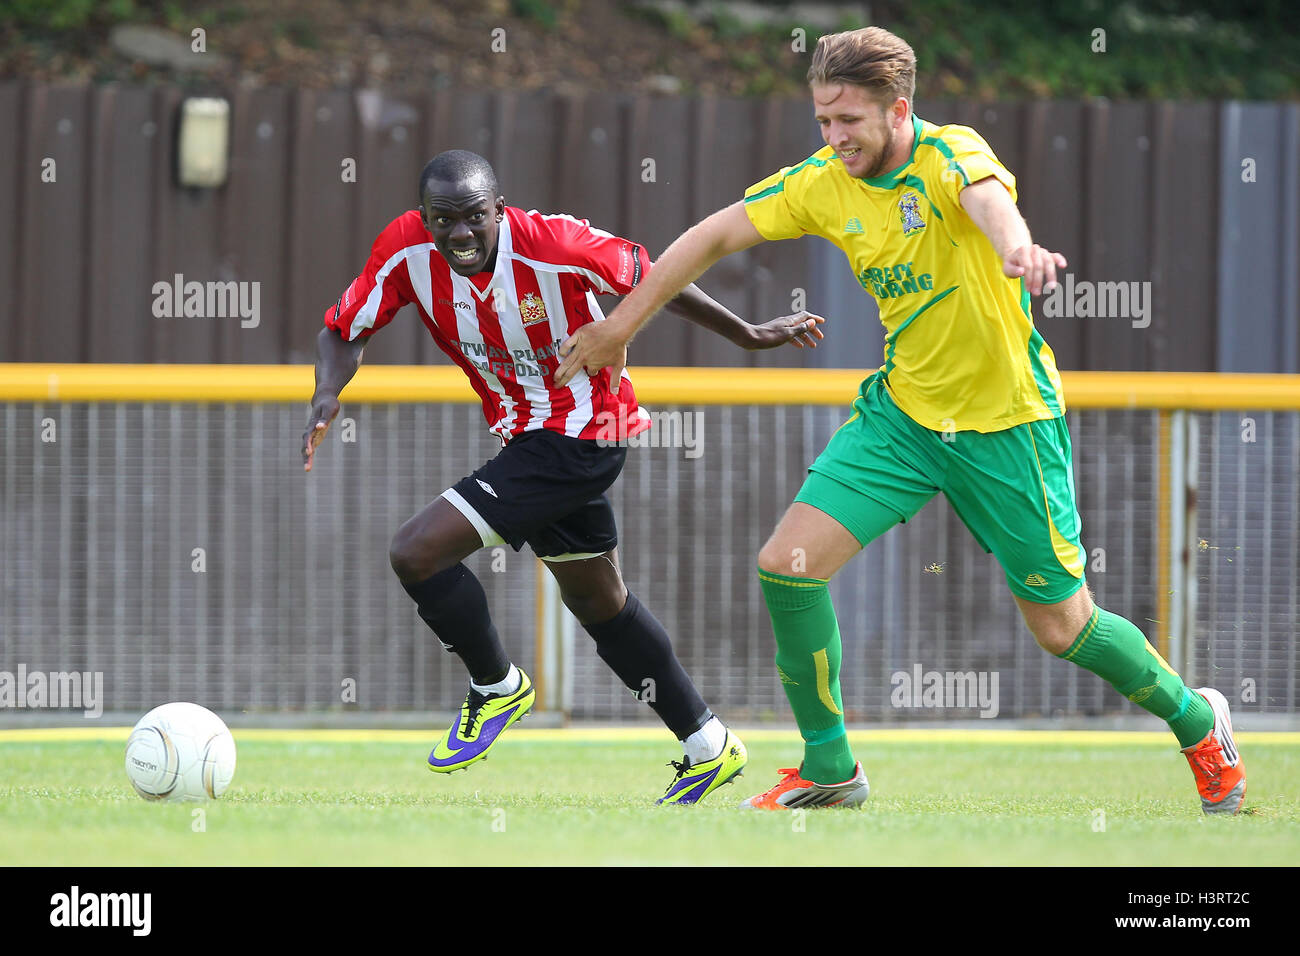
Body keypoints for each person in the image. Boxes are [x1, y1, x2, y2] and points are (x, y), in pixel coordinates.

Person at [554, 27, 1245, 815]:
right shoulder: (820, 182)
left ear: (898, 108)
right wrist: (620, 327)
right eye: (822, 120)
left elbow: (989, 201)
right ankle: (830, 767)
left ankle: (1198, 721)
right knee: (789, 565)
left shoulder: (950, 154)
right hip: (904, 418)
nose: (833, 137)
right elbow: (711, 236)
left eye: (848, 120)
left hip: (1006, 425)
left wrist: (1017, 249)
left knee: (1062, 628)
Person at [301, 149, 824, 804]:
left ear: (499, 209)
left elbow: (655, 275)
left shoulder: (553, 242)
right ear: (423, 217)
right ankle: (708, 745)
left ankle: (496, 687)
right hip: (529, 436)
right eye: (443, 220)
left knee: (416, 552)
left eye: (472, 217)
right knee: (600, 603)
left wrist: (748, 334)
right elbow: (343, 328)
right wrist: (327, 395)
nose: (458, 233)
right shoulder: (407, 251)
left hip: (582, 434)